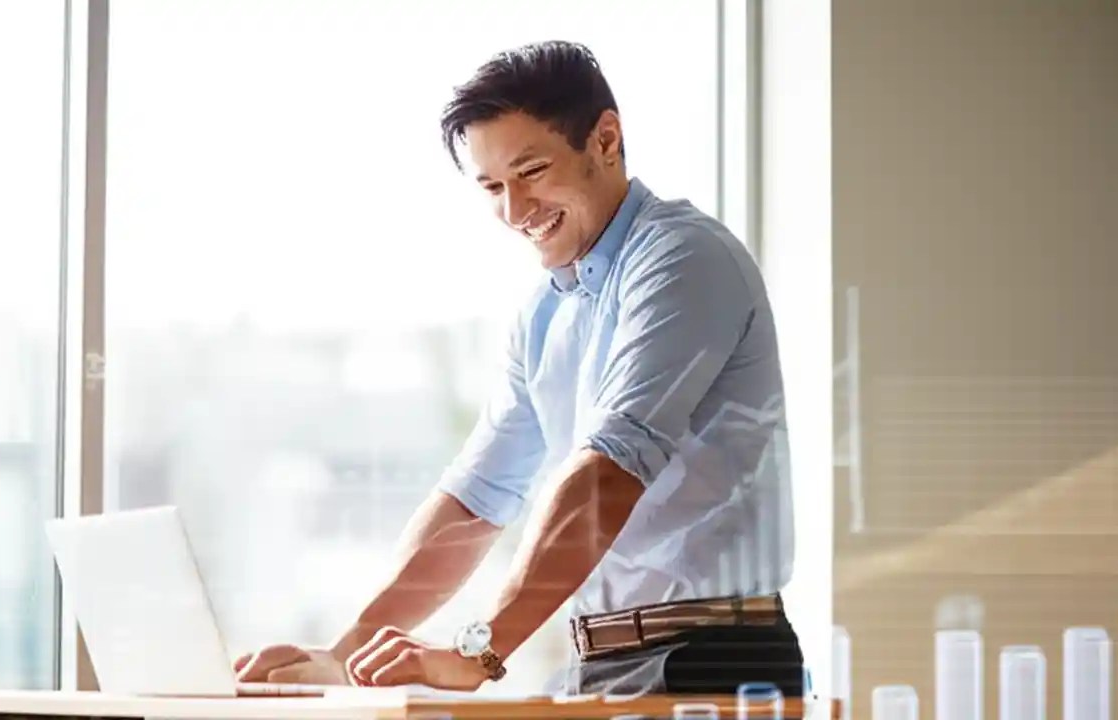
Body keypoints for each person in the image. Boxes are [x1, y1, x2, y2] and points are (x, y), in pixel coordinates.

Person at [235, 40, 802, 699]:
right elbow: (475, 501)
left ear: (606, 140)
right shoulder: (543, 314)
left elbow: (607, 477)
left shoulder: (682, 260)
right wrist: (346, 654)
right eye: (492, 187)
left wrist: (479, 650)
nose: (514, 210)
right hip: (599, 661)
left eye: (531, 171)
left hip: (713, 662)